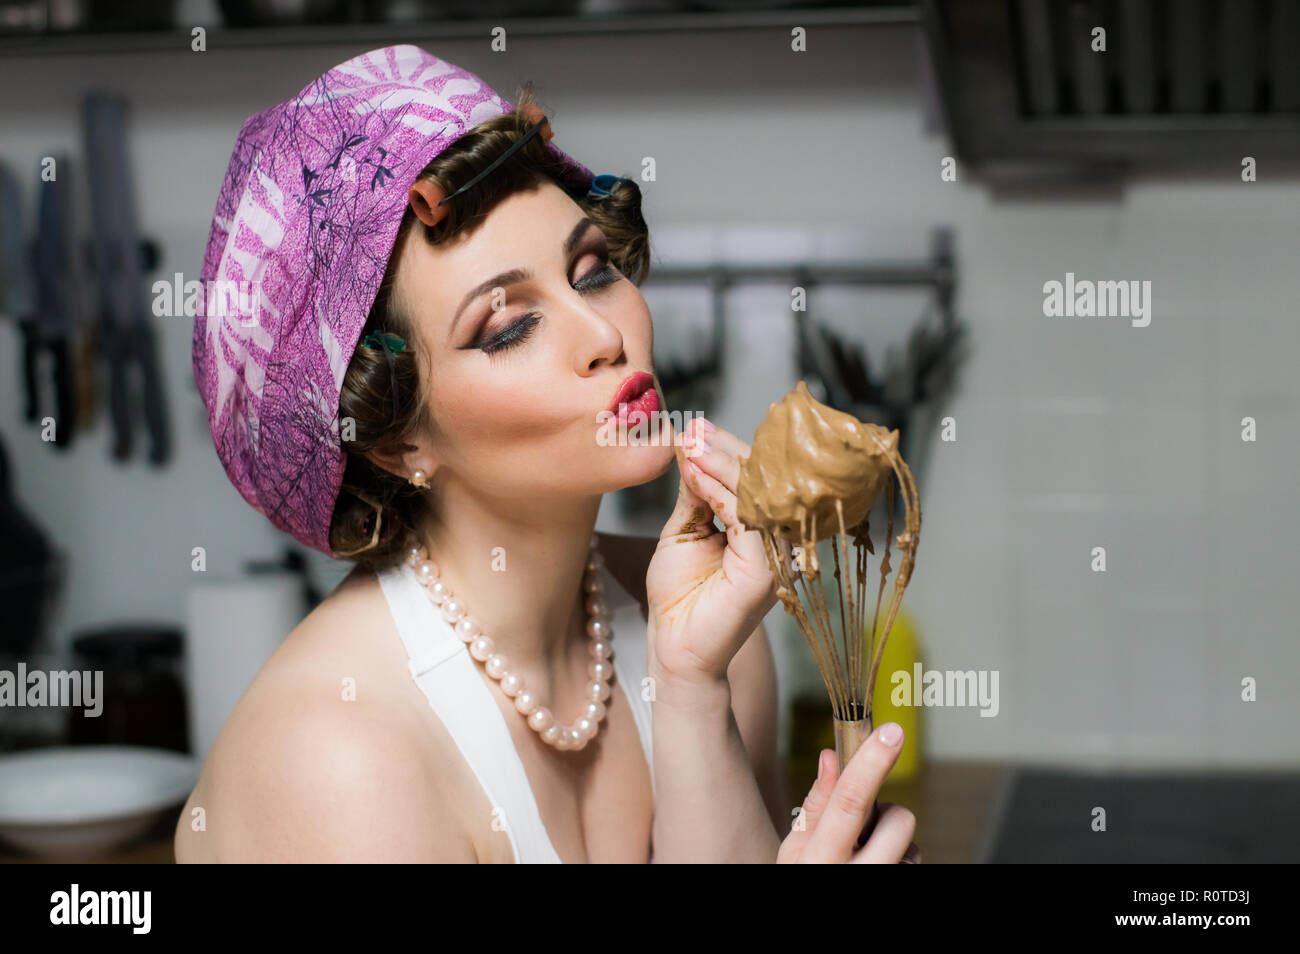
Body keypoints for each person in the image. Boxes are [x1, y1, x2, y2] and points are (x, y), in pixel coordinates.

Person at [175, 44, 919, 863]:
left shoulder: (717, 640)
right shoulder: (336, 759)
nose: (605, 335)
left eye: (593, 271)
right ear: (394, 441)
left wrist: (689, 687)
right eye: (508, 327)